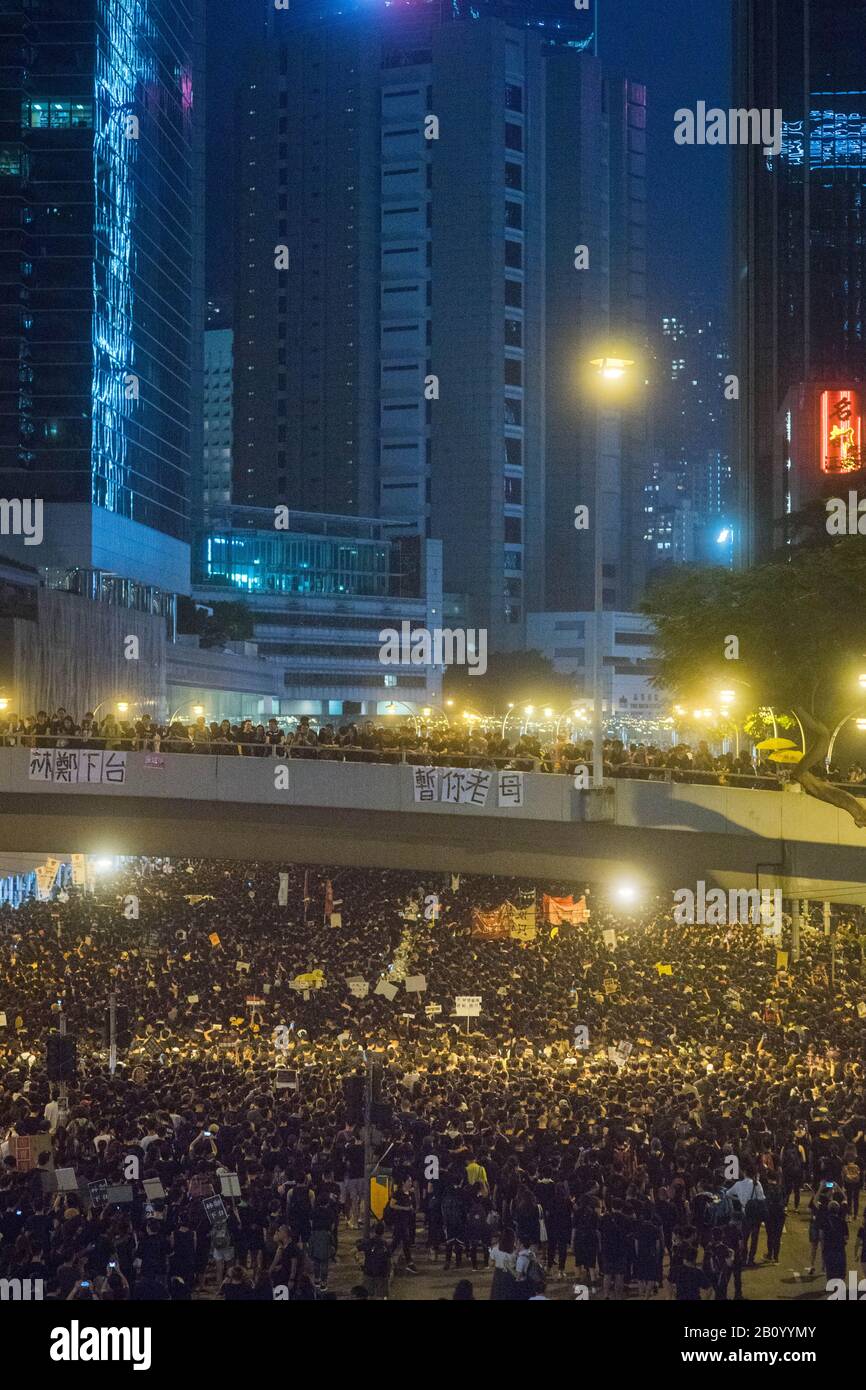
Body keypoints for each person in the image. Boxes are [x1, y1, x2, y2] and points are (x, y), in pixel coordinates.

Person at [358, 1222, 391, 1300]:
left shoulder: (368, 1242)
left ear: (374, 1231)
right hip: (382, 1273)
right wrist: (388, 1272)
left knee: (369, 1295)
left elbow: (352, 1251)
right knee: (381, 1295)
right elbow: (389, 1260)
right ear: (383, 1232)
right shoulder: (385, 1244)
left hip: (369, 1272)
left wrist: (359, 1262)